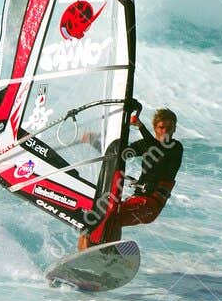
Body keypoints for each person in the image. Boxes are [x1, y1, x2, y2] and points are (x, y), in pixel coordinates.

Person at [77, 106, 184, 251]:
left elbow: (159, 148)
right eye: (161, 127)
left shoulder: (175, 147)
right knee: (96, 217)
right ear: (155, 128)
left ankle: (108, 255)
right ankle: (85, 256)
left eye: (169, 127)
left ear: (175, 129)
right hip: (138, 199)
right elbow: (118, 155)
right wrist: (93, 141)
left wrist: (140, 126)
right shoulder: (146, 144)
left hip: (152, 204)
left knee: (114, 216)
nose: (165, 131)